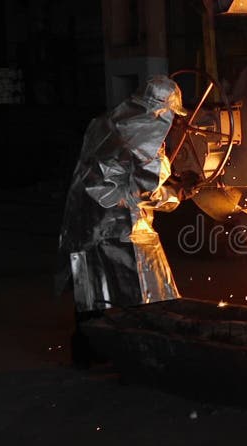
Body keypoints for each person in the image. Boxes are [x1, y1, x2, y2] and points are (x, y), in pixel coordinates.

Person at [55, 75, 188, 314]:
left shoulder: (105, 122)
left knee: (94, 285)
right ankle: (140, 334)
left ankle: (90, 334)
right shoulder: (148, 136)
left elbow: (115, 168)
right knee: (145, 288)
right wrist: (178, 193)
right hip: (120, 219)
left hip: (85, 212)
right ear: (164, 109)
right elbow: (145, 192)